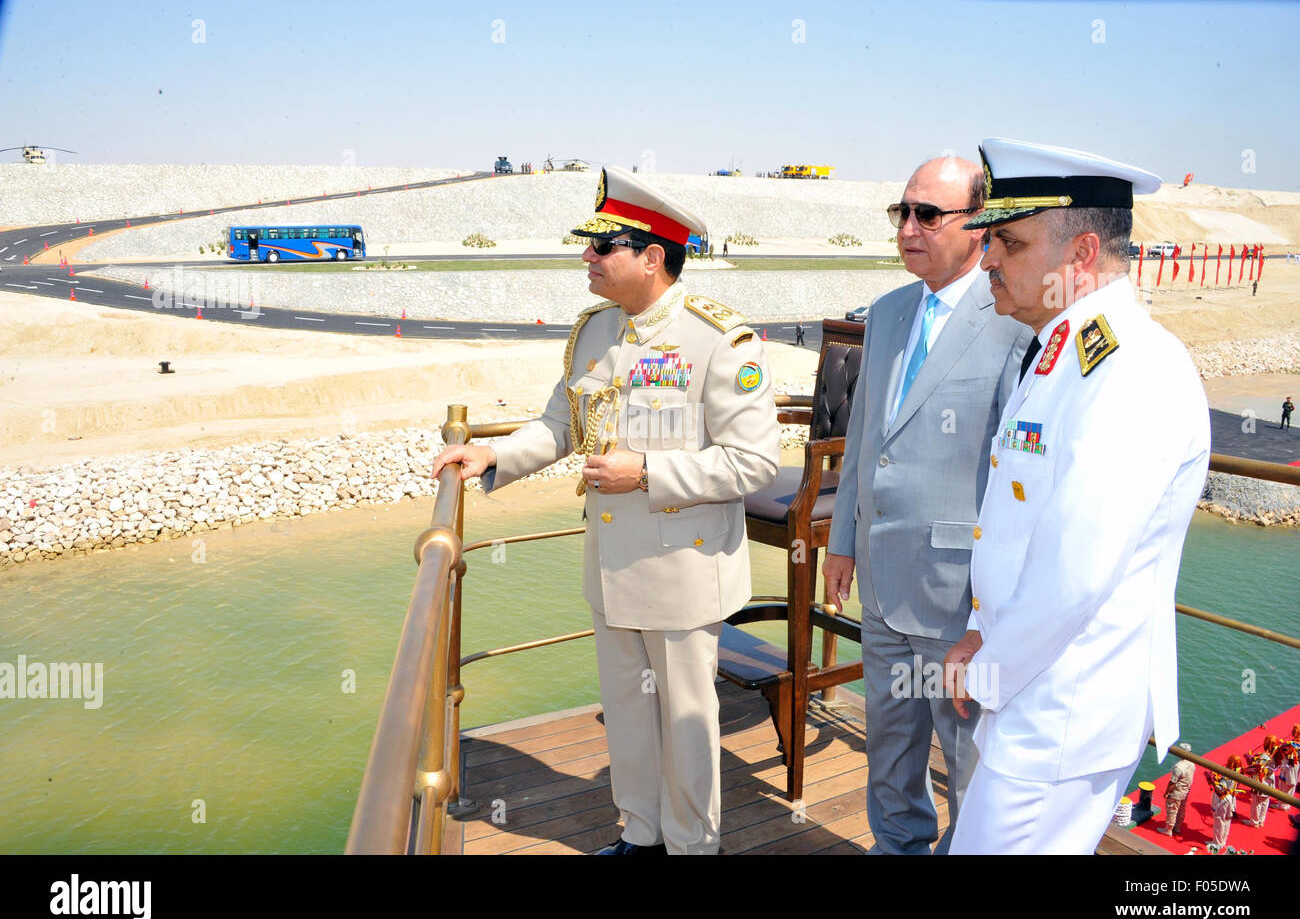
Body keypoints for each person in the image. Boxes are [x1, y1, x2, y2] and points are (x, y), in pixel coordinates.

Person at [430, 166, 780, 855]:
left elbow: (754, 463)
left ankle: (690, 847)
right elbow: (560, 422)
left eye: (603, 247)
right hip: (613, 565)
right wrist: (495, 458)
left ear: (653, 257)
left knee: (685, 724)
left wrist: (646, 471)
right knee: (626, 715)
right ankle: (640, 837)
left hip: (684, 569)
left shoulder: (721, 340)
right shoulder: (595, 332)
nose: (586, 258)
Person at [942, 138, 1211, 855]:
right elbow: (1014, 528)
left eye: (1008, 240)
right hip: (1027, 689)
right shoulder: (1063, 351)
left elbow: (1075, 573)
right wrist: (978, 626)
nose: (988, 258)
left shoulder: (1133, 371)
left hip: (1064, 709)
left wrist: (990, 668)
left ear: (1082, 254)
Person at [822, 156, 1032, 855]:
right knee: (889, 751)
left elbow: (1014, 476)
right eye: (902, 213)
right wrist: (843, 538)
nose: (909, 229)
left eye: (928, 215)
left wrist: (989, 606)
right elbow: (864, 439)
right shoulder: (886, 314)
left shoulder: (1011, 320)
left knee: (967, 759)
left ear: (978, 226)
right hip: (881, 581)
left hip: (957, 595)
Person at [1158, 744, 1195, 836]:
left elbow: (1172, 782)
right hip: (1186, 791)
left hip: (1176, 792)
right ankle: (1177, 827)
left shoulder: (1178, 767)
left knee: (1172, 810)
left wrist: (1167, 793)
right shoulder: (1192, 764)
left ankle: (1168, 830)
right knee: (1181, 809)